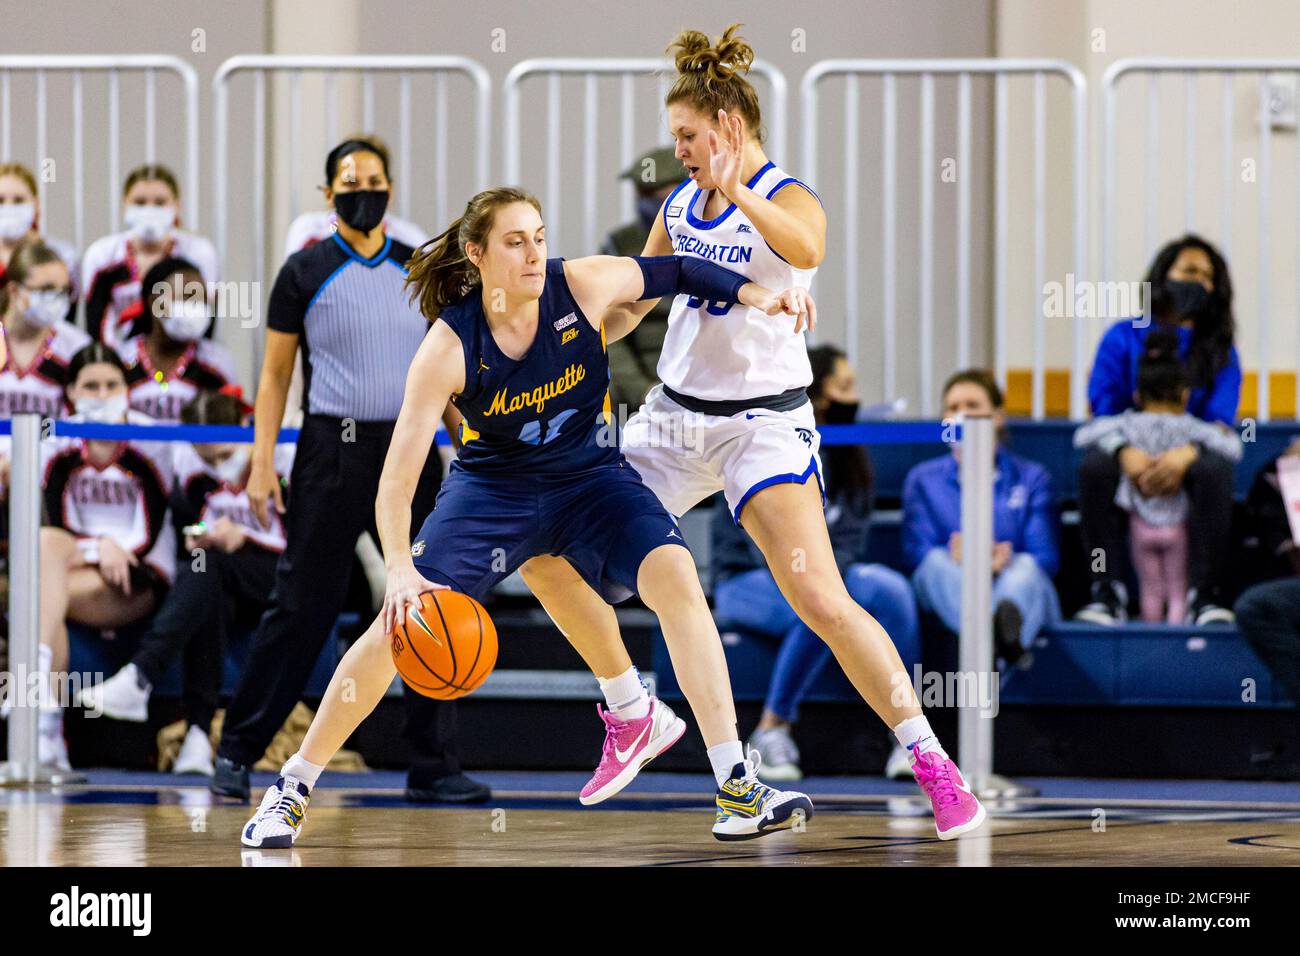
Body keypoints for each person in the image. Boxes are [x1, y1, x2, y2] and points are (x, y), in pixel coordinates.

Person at [513, 24, 986, 840]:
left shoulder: (786, 196)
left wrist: (739, 192)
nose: (680, 153)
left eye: (689, 137)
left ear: (729, 128)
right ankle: (633, 712)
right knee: (547, 547)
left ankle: (933, 761)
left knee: (821, 600)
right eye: (676, 140)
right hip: (672, 419)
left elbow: (808, 247)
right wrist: (573, 330)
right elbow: (642, 300)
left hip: (763, 426)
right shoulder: (676, 204)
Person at [238, 186, 817, 849]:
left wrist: (755, 294)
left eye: (539, 236)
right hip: (493, 492)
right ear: (477, 254)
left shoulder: (583, 283)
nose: (535, 253)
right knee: (397, 629)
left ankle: (736, 782)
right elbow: (397, 478)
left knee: (678, 579)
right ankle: (292, 788)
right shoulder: (449, 345)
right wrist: (400, 567)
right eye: (515, 242)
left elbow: (679, 268)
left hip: (589, 478)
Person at [208, 138, 486, 806]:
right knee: (302, 605)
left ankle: (433, 764)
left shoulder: (418, 270)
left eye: (374, 178)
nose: (363, 188)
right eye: (349, 179)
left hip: (411, 449)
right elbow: (275, 376)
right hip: (331, 451)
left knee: (426, 601)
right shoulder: (303, 272)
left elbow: (440, 367)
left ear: (391, 187)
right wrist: (259, 465)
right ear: (327, 195)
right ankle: (238, 751)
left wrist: (465, 437)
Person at [712, 345, 920, 781]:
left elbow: (851, 539)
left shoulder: (850, 456)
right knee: (812, 604)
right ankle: (772, 729)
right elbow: (763, 546)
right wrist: (822, 580)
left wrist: (828, 577)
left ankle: (905, 737)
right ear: (818, 393)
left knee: (890, 590)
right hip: (746, 579)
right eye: (844, 387)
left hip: (831, 574)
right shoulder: (763, 437)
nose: (854, 397)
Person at [76, 389, 293, 776]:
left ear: (245, 430)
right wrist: (199, 535)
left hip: (277, 573)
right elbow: (185, 525)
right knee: (204, 577)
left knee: (208, 569)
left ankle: (141, 675)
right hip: (222, 580)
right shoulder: (194, 477)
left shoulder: (281, 460)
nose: (217, 466)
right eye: (207, 458)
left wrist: (247, 539)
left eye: (226, 456)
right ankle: (196, 735)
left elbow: (307, 543)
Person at [1077, 234, 1241, 627]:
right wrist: (1125, 452)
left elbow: (1219, 425)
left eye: (1206, 276)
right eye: (1188, 271)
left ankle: (1204, 594)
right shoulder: (1122, 336)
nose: (1197, 281)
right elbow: (1103, 412)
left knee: (1214, 469)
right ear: (1163, 276)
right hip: (1127, 452)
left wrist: (1185, 454)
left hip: (1190, 457)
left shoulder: (1220, 348)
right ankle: (1107, 590)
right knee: (1094, 467)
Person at [33, 343, 176, 770]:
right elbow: (57, 520)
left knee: (37, 594)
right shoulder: (55, 438)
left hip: (139, 573)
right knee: (43, 545)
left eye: (111, 384)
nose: (102, 393)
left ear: (127, 390)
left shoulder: (152, 439)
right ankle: (44, 722)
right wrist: (99, 546)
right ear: (71, 393)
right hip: (76, 564)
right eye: (90, 386)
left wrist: (115, 550)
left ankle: (40, 718)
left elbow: (152, 532)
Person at [904, 370, 1060, 664]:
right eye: (952, 408)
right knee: (934, 564)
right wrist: (969, 560)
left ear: (998, 415)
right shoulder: (922, 479)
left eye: (973, 406)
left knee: (1026, 567)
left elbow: (1045, 558)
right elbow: (916, 554)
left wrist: (993, 562)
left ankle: (993, 642)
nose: (962, 415)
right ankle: (999, 641)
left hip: (1016, 583)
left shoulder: (1033, 477)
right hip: (951, 578)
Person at [82, 164, 219, 349]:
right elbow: (96, 323)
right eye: (140, 202)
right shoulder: (102, 255)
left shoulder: (198, 253)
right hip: (122, 360)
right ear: (125, 205)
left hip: (183, 360)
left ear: (176, 206)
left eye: (160, 203)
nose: (150, 210)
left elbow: (204, 315)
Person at [600, 145, 687, 412]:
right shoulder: (621, 246)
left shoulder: (714, 239)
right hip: (642, 387)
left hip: (701, 378)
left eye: (655, 193)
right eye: (642, 193)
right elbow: (606, 332)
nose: (646, 201)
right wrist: (642, 388)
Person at [1, 240, 91, 489]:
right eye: (46, 289)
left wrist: (29, 460)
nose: (57, 299)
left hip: (49, 475)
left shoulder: (76, 347)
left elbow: (81, 419)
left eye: (63, 291)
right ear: (15, 291)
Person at [115, 256, 236, 422]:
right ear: (154, 302)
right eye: (186, 297)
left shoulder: (217, 364)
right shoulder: (121, 361)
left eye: (201, 300)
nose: (194, 308)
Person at [282, 133, 428, 256]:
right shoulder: (309, 232)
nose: (363, 191)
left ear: (389, 190)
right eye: (351, 182)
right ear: (330, 192)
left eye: (374, 181)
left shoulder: (412, 241)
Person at [0, 163, 81, 305]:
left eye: (19, 200)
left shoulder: (63, 255)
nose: (9, 207)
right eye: (0, 201)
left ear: (36, 204)